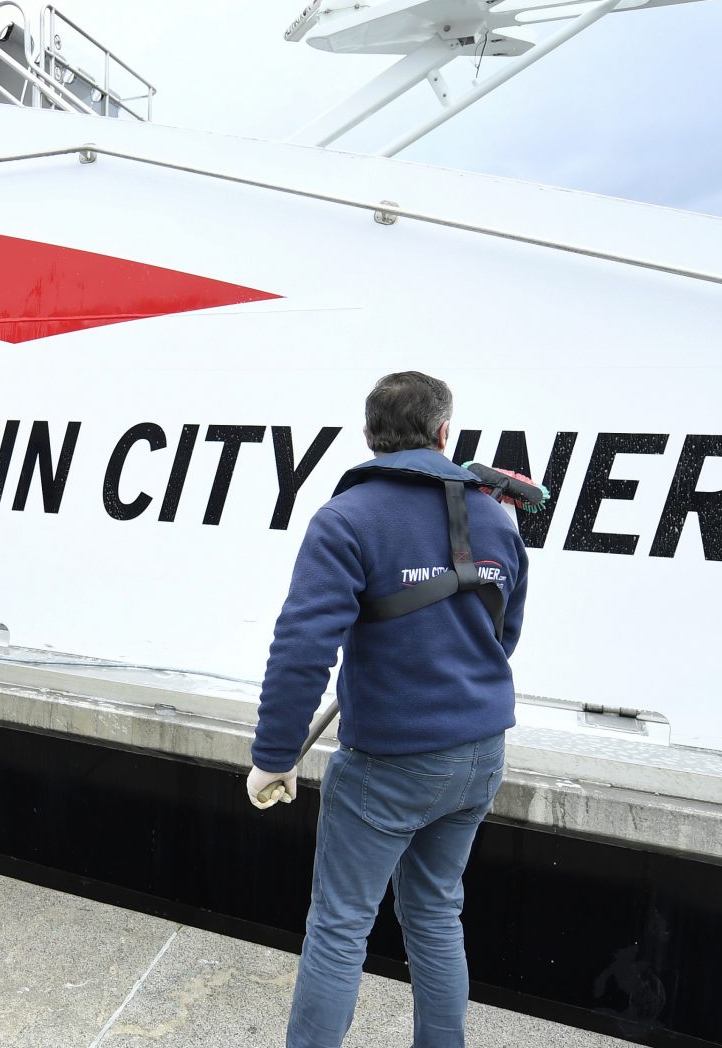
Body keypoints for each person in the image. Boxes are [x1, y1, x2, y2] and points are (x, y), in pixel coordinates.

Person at [247, 371, 529, 1048]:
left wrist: (273, 757)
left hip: (390, 765)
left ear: (370, 437)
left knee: (341, 926)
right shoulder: (496, 516)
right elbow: (504, 634)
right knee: (435, 914)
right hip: (480, 754)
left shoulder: (346, 519)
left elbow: (301, 649)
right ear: (443, 434)